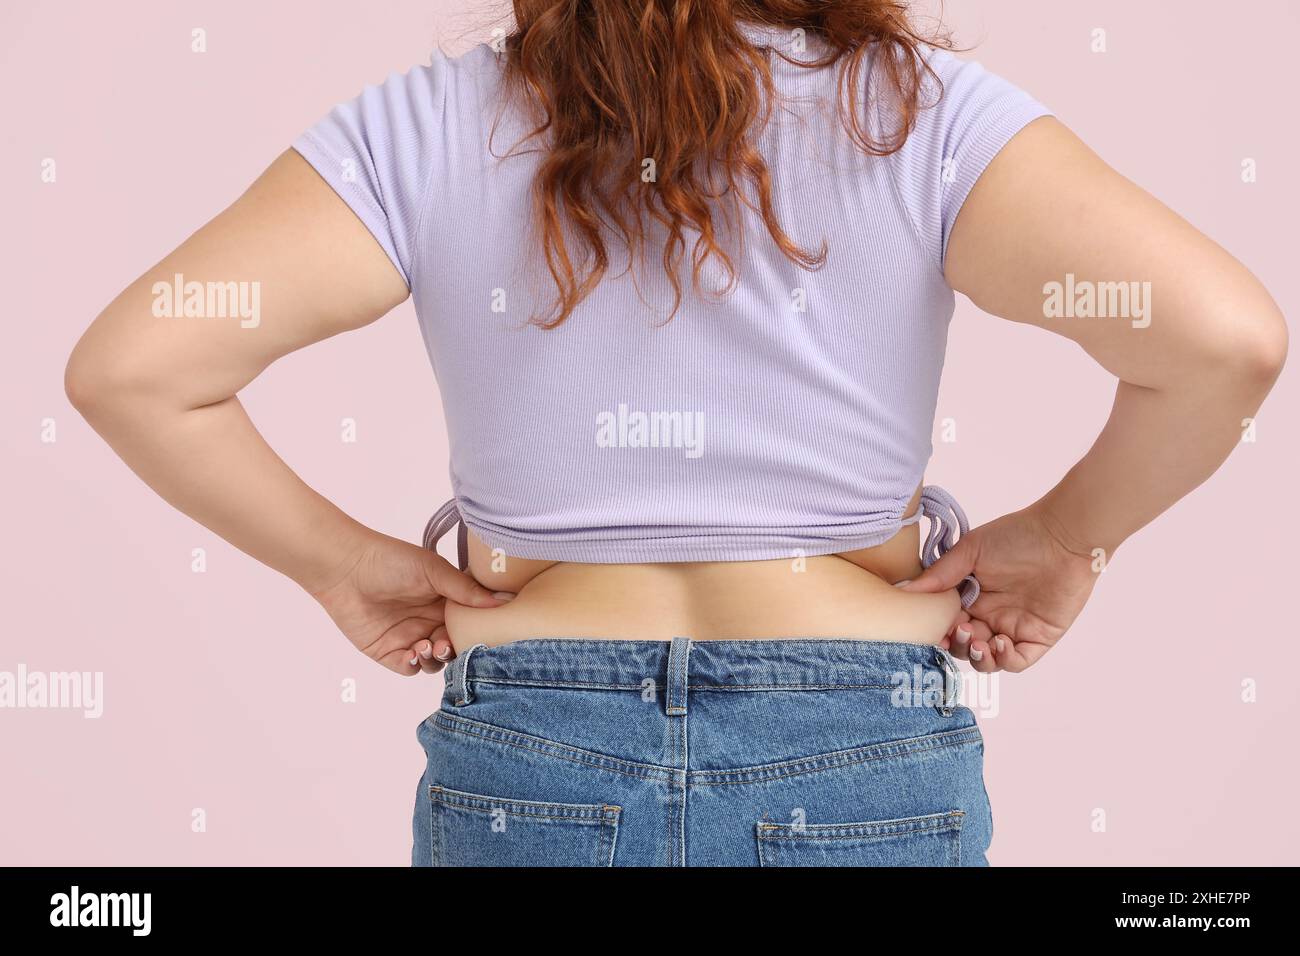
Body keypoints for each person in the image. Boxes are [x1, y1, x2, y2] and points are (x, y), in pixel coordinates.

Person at [64, 2, 1287, 866]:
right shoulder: (917, 116)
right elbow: (1224, 341)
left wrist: (341, 563)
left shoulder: (428, 124)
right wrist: (1071, 538)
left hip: (532, 755)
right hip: (855, 754)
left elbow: (134, 370)